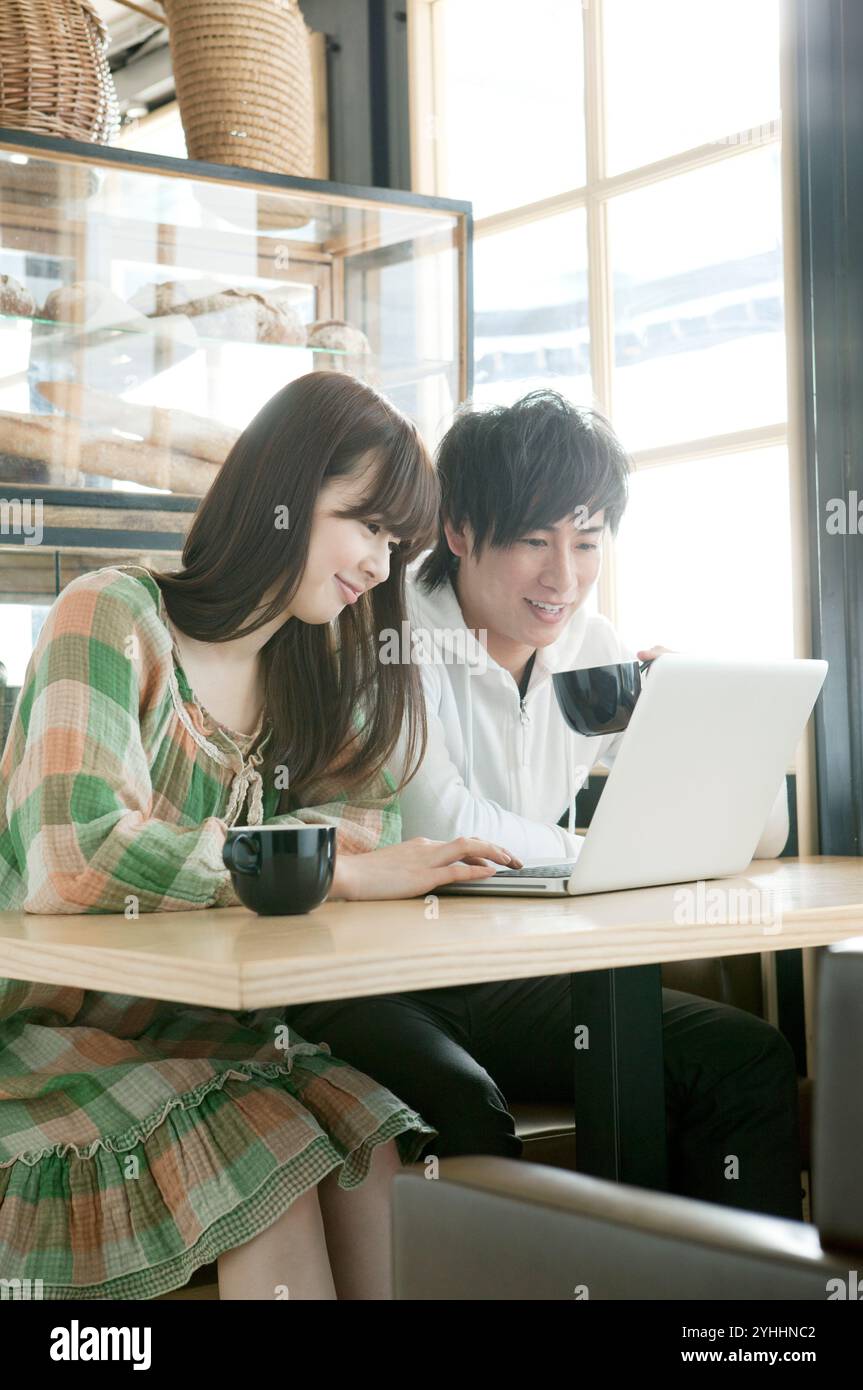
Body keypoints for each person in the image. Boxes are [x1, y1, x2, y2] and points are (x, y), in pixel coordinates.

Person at [0, 371, 517, 1301]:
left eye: (397, 543)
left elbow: (363, 825)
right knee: (272, 1170)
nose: (380, 563)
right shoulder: (112, 615)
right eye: (366, 523)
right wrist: (330, 873)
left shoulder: (313, 673)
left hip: (192, 1036)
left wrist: (326, 860)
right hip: (36, 1040)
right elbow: (73, 852)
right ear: (283, 491)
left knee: (370, 1148)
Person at [285, 389, 804, 1222]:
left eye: (587, 542)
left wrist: (692, 720)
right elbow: (440, 827)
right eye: (534, 541)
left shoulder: (590, 647)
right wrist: (608, 850)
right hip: (379, 977)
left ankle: (737, 1340)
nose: (564, 576)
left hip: (515, 978)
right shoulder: (392, 630)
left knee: (743, 1060)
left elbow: (761, 835)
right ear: (459, 532)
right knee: (465, 1111)